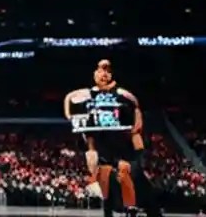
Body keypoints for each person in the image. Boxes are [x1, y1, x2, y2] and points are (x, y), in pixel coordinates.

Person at [64, 59, 149, 217]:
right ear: (95, 74)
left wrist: (138, 118)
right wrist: (68, 114)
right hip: (100, 138)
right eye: (100, 70)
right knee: (105, 176)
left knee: (125, 173)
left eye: (107, 71)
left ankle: (130, 206)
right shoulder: (90, 93)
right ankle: (109, 208)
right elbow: (69, 97)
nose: (103, 74)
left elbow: (135, 103)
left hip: (117, 138)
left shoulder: (119, 92)